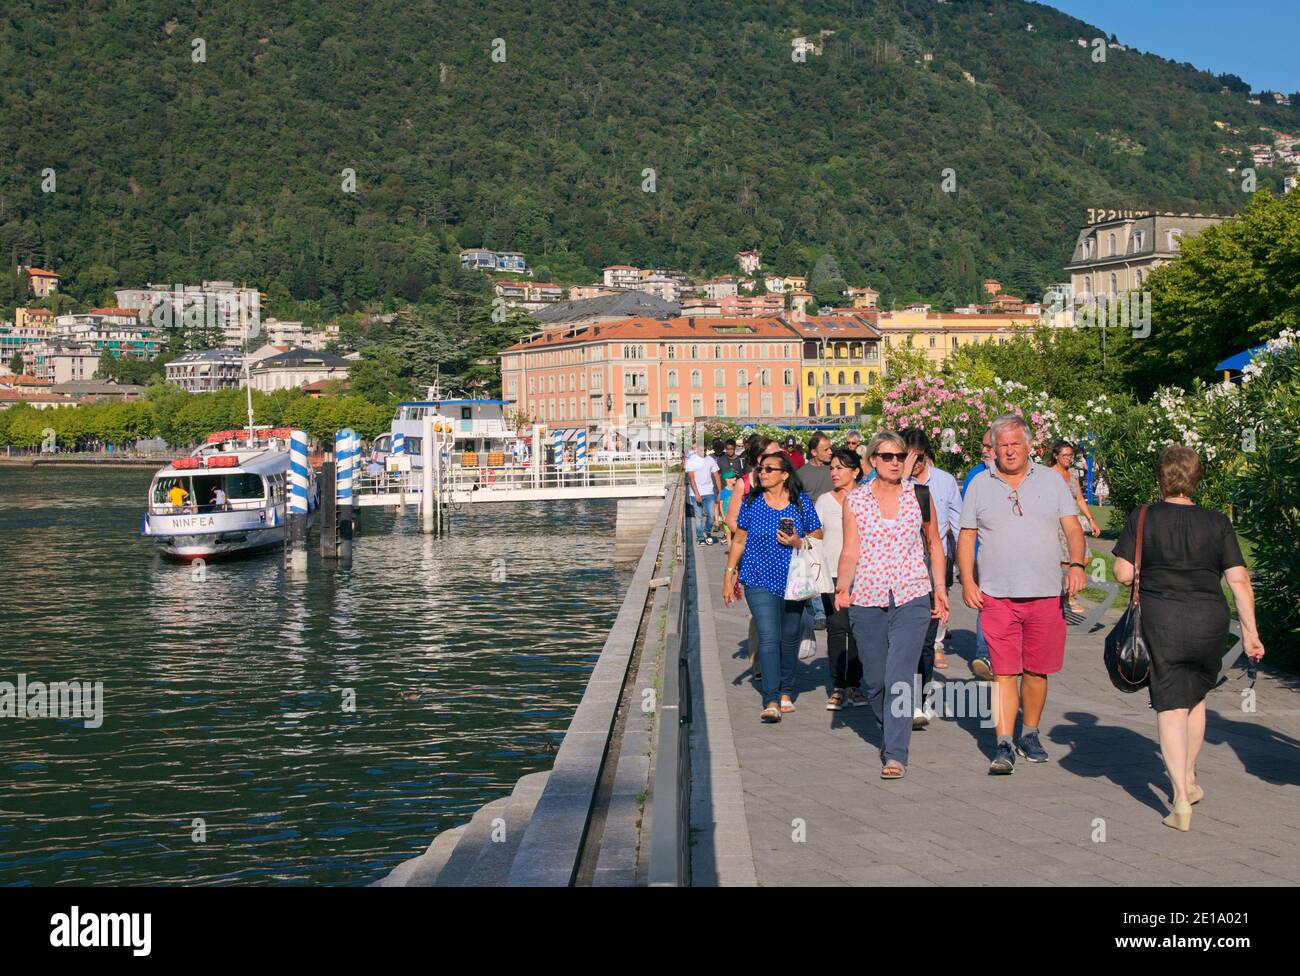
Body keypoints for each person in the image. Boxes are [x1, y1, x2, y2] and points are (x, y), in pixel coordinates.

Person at [1112, 446, 1265, 831]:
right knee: (1196, 697)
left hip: (1163, 623)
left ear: (1160, 478)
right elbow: (1239, 580)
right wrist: (1250, 634)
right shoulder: (1216, 523)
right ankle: (1192, 777)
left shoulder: (1143, 516)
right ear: (1197, 478)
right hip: (1210, 624)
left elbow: (1122, 574)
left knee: (1169, 705)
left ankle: (1180, 797)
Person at [958, 414, 1086, 774]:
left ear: (1029, 446)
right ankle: (1003, 742)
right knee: (1004, 671)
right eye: (1003, 445)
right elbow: (966, 535)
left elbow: (1073, 528)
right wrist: (967, 580)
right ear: (993, 449)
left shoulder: (1052, 482)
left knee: (1036, 670)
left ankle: (1029, 732)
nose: (1010, 451)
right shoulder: (980, 485)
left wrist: (1076, 565)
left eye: (1016, 444)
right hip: (997, 595)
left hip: (1046, 594)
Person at [836, 431, 949, 778]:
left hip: (912, 595)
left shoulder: (919, 495)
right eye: (887, 456)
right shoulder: (855, 501)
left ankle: (896, 752)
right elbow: (851, 549)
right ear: (872, 461)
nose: (895, 462)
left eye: (900, 456)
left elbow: (934, 544)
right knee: (876, 681)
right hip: (867, 597)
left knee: (899, 676)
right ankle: (891, 724)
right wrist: (842, 587)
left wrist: (940, 589)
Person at [722, 452, 822, 722]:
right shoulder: (753, 501)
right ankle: (771, 699)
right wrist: (729, 574)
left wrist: (797, 541)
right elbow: (739, 540)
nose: (762, 473)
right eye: (760, 468)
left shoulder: (800, 502)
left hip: (794, 578)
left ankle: (787, 690)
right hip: (758, 578)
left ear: (784, 474)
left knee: (789, 636)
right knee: (768, 636)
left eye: (769, 469)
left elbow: (817, 534)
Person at [899, 427, 962, 726]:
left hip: (933, 565)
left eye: (919, 458)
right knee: (900, 640)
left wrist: (965, 565)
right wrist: (904, 476)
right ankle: (899, 696)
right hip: (897, 570)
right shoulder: (887, 481)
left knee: (925, 640)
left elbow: (957, 523)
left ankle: (918, 700)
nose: (914, 464)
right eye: (905, 457)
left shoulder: (945, 481)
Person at [816, 448, 867, 710]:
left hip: (864, 573)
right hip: (831, 573)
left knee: (858, 629)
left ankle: (854, 685)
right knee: (837, 628)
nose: (834, 472)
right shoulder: (824, 501)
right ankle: (838, 685)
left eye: (840, 468)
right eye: (832, 468)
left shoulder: (867, 498)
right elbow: (815, 536)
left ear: (855, 470)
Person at [1048, 440, 1101, 613]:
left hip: (1074, 521)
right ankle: (1067, 598)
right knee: (1064, 562)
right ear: (1056, 456)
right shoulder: (1049, 474)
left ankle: (1066, 596)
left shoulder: (1072, 473)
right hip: (1058, 522)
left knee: (1083, 557)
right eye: (1065, 455)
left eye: (1070, 456)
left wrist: (1091, 519)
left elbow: (1079, 498)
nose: (1068, 459)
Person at [962, 430, 996, 679]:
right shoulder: (976, 474)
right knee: (986, 604)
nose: (984, 451)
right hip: (981, 555)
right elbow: (967, 523)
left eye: (989, 446)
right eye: (982, 446)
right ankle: (984, 653)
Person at [685, 442, 722, 546]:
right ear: (697, 449)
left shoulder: (710, 460)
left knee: (711, 515)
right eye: (701, 450)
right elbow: (691, 479)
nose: (703, 452)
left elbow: (716, 476)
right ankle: (700, 537)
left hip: (709, 492)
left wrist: (719, 491)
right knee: (699, 516)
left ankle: (707, 532)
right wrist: (697, 494)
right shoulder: (692, 461)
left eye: (705, 450)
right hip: (695, 493)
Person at [798, 431, 834, 501]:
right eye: (826, 450)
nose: (830, 452)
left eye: (830, 448)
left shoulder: (835, 469)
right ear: (814, 452)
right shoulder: (801, 474)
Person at [718, 470, 739, 552]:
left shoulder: (736, 489)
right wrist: (723, 516)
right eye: (733, 477)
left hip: (736, 515)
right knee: (729, 533)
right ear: (727, 479)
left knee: (735, 533)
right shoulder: (724, 492)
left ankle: (735, 549)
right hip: (726, 515)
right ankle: (730, 549)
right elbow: (720, 504)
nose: (735, 478)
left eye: (735, 477)